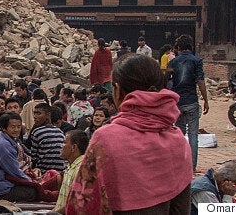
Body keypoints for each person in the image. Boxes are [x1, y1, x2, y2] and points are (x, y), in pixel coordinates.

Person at [65, 53, 193, 214]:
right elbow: (181, 209)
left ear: (117, 90)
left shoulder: (106, 138)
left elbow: (81, 205)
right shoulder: (179, 141)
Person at [167, 34, 209, 170]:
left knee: (179, 134)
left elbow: (166, 81)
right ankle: (192, 166)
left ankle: (178, 164)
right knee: (193, 135)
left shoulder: (172, 62)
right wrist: (206, 100)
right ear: (191, 46)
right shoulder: (197, 61)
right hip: (191, 101)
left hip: (177, 102)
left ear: (178, 47)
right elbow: (200, 81)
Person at [0, 112, 38, 202]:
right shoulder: (2, 144)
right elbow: (14, 171)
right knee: (33, 192)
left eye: (18, 127)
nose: (16, 130)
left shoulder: (9, 141)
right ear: (4, 128)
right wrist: (32, 181)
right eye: (13, 127)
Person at [24, 102, 66, 173]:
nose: (35, 116)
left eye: (38, 113)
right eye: (34, 113)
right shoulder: (60, 131)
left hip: (44, 172)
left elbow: (33, 158)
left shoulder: (37, 132)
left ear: (48, 115)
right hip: (59, 172)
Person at [54, 129, 88, 212]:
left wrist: (54, 213)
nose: (61, 146)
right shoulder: (70, 166)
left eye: (64, 142)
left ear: (74, 147)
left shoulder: (80, 169)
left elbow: (76, 203)